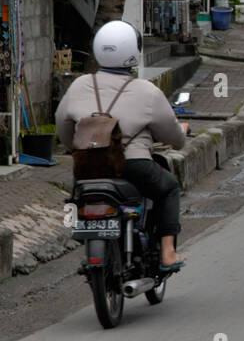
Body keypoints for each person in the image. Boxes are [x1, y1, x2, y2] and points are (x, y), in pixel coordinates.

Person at [55, 20, 189, 272]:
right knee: (169, 187)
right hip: (134, 165)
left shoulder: (78, 86)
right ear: (132, 51)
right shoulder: (147, 91)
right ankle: (168, 252)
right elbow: (173, 136)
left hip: (88, 166)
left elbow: (62, 127)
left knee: (75, 196)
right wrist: (182, 133)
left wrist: (76, 148)